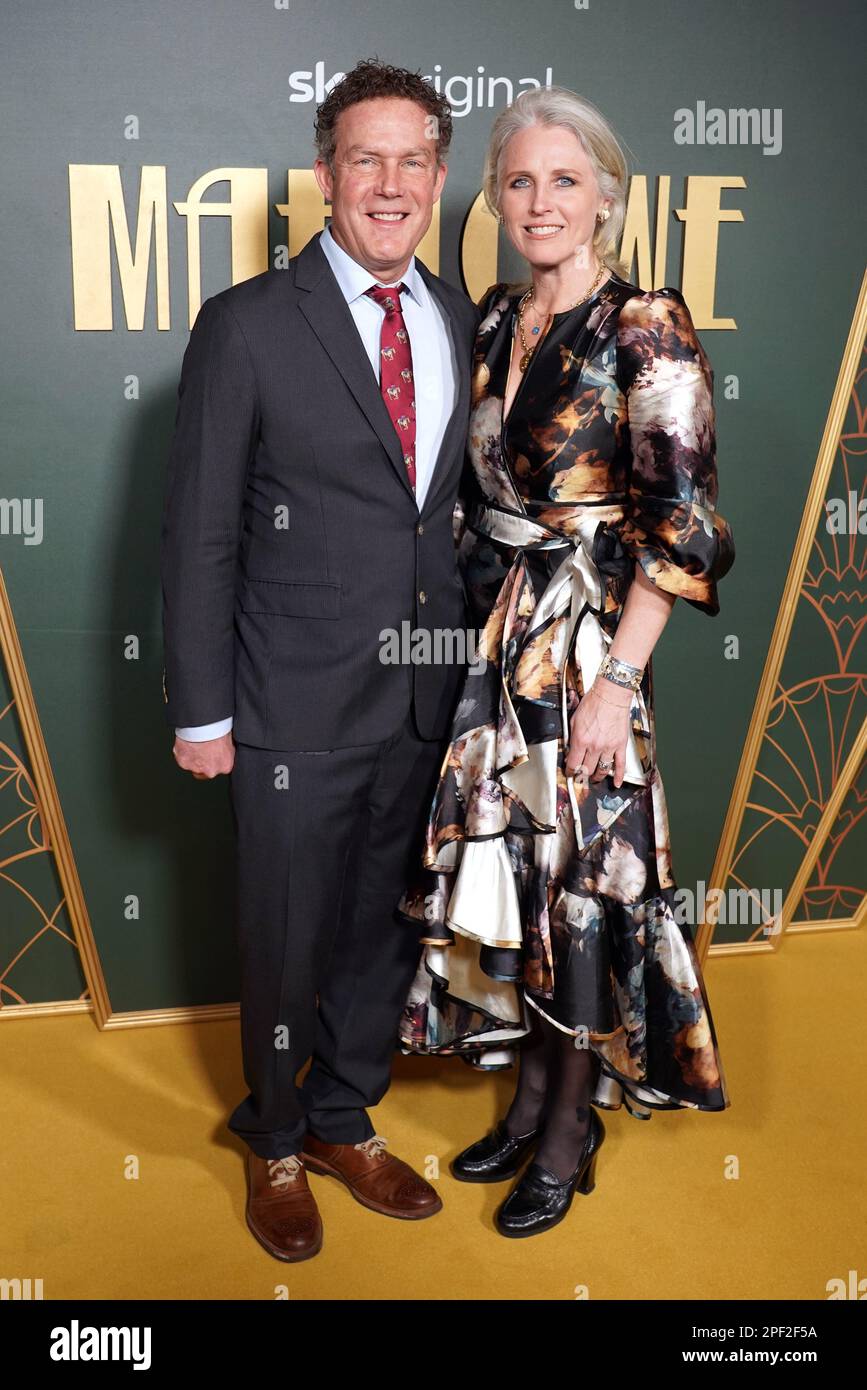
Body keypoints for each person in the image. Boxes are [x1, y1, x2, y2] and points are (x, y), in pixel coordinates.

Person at [396, 85, 736, 1239]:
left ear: (607, 197)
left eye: (565, 181)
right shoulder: (493, 320)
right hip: (500, 647)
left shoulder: (646, 324)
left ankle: (567, 1127)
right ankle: (537, 1090)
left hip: (590, 650)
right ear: (495, 196)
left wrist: (619, 682)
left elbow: (681, 520)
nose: (541, 202)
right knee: (530, 885)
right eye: (521, 181)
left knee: (585, 891)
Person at [160, 59, 480, 1262]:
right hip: (285, 702)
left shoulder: (456, 315)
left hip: (424, 697)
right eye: (365, 159)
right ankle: (279, 1139)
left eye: (413, 161)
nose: (389, 184)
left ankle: (347, 1116)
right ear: (324, 177)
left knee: (380, 930)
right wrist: (203, 711)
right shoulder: (246, 324)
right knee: (285, 934)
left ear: (441, 180)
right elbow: (199, 530)